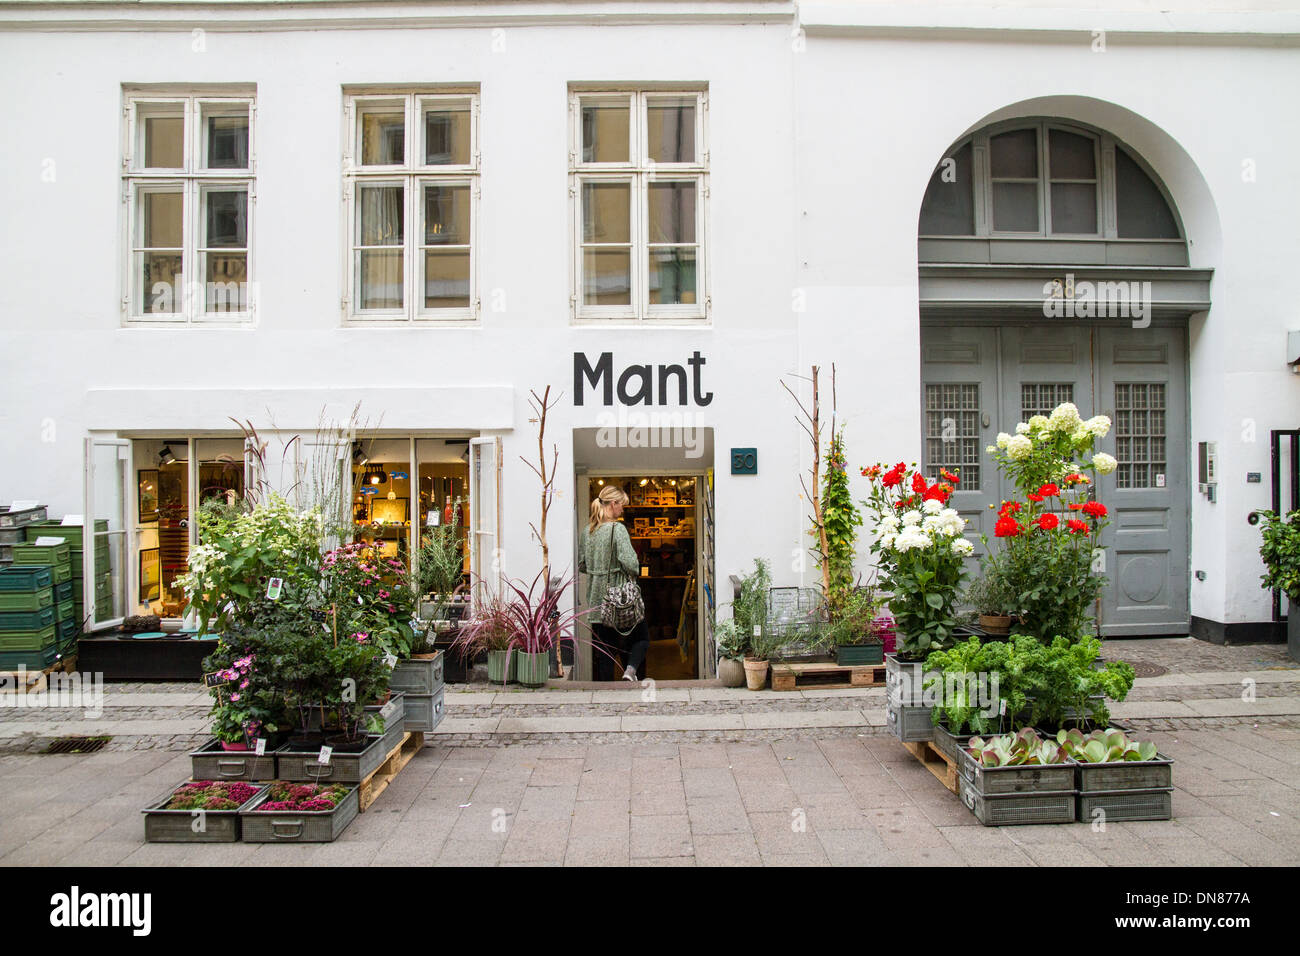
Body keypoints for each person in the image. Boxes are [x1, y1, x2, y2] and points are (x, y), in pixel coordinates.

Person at [578, 485, 649, 682]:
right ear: (613, 504)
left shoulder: (588, 531)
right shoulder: (617, 530)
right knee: (641, 638)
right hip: (619, 599)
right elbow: (631, 563)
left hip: (596, 601)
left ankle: (605, 692)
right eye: (622, 505)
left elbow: (581, 564)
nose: (623, 510)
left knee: (605, 651)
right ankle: (630, 671)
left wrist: (598, 571)